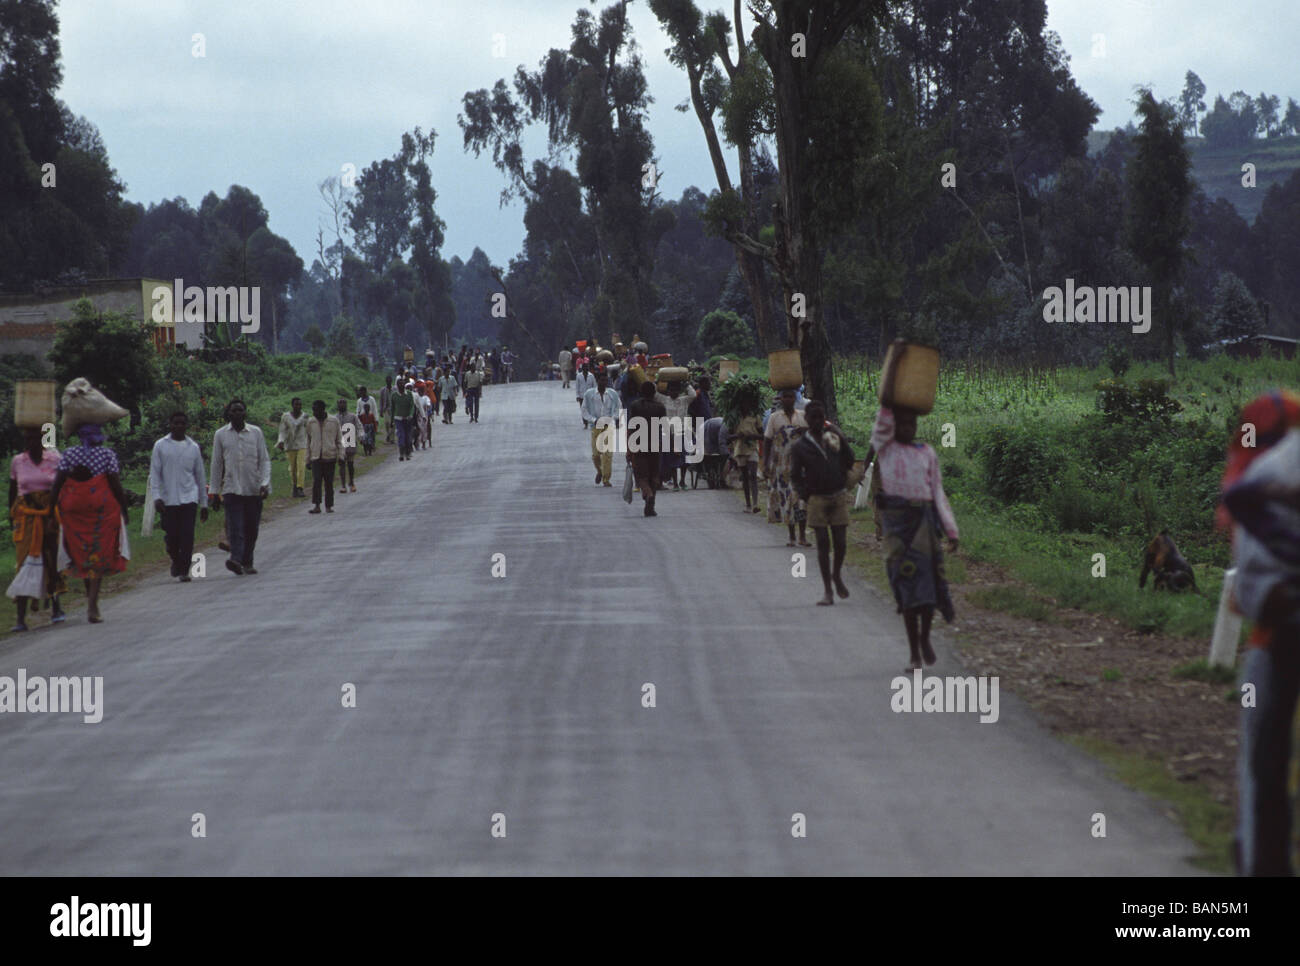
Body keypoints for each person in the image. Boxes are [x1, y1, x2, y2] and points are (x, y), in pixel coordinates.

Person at [1218, 390, 1300, 876]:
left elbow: (1241, 501)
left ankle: (1261, 860)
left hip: (1276, 637)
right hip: (1272, 633)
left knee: (1263, 764)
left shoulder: (1271, 467)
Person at [871, 404, 958, 671]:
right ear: (893, 427)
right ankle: (913, 652)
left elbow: (937, 491)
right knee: (907, 591)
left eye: (912, 424)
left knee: (928, 592)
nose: (908, 428)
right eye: (902, 424)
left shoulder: (927, 453)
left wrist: (951, 530)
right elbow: (882, 420)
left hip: (924, 525)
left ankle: (924, 639)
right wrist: (891, 391)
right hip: (897, 526)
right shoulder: (886, 450)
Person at [50, 422, 129, 623]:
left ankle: (91, 599)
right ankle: (92, 604)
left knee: (83, 553)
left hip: (74, 513)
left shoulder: (69, 454)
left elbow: (58, 483)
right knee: (98, 556)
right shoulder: (106, 455)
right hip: (101, 512)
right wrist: (124, 508)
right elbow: (114, 483)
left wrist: (51, 510)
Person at [789, 401, 857, 606]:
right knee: (822, 544)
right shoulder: (800, 446)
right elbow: (795, 475)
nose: (818, 421)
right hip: (816, 498)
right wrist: (805, 495)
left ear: (824, 418)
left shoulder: (833, 439)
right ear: (807, 420)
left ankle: (836, 574)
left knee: (841, 543)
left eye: (821, 417)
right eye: (813, 417)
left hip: (837, 494)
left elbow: (850, 460)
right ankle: (828, 589)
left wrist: (840, 436)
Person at [7, 426, 67, 630]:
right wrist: (11, 516)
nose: (31, 442)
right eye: (27, 438)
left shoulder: (53, 459)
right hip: (26, 519)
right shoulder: (18, 461)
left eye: (35, 438)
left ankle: (56, 607)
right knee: (24, 563)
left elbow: (60, 488)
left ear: (43, 439)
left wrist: (54, 514)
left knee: (51, 560)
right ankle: (20, 618)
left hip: (49, 515)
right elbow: (13, 491)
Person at [210, 399, 270, 575]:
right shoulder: (220, 435)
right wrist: (214, 492)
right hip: (231, 489)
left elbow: (264, 460)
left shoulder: (256, 432)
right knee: (235, 527)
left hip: (253, 489)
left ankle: (247, 561)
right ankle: (235, 559)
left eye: (240, 410)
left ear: (245, 413)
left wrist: (265, 484)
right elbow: (216, 464)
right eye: (233, 411)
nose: (236, 414)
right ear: (228, 414)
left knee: (251, 528)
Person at [148, 411, 209, 582]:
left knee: (187, 536)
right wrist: (157, 497)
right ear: (170, 424)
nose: (179, 426)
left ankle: (184, 570)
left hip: (189, 498)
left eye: (182, 423)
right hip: (168, 500)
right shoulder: (160, 446)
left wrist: (204, 504)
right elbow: (155, 473)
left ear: (186, 425)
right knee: (172, 537)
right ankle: (175, 560)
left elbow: (200, 476)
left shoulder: (193, 447)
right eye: (176, 423)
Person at [763, 389, 809, 547]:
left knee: (801, 500)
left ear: (795, 398)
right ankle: (791, 536)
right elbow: (767, 440)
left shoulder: (802, 416)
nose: (788, 399)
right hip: (781, 466)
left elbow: (812, 436)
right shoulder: (774, 418)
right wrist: (766, 463)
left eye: (791, 396)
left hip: (801, 464)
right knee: (787, 499)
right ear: (781, 399)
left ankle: (802, 535)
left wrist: (804, 431)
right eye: (785, 397)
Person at [627, 381, 667, 517]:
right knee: (654, 475)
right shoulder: (660, 407)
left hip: (639, 445)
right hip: (656, 445)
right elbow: (665, 428)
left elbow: (631, 428)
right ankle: (650, 507)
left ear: (641, 392)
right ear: (654, 393)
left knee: (641, 476)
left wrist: (628, 449)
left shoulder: (635, 406)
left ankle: (648, 494)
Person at [656, 380, 696, 491]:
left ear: (679, 391)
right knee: (672, 459)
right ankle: (675, 483)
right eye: (672, 390)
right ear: (668, 391)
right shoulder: (664, 400)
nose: (674, 392)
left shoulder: (684, 400)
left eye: (676, 390)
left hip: (683, 433)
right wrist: (657, 381)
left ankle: (682, 480)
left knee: (684, 459)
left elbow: (693, 395)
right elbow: (654, 393)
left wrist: (687, 384)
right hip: (669, 434)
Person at [583, 371, 621, 487]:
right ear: (597, 381)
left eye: (605, 380)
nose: (603, 382)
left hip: (608, 426)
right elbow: (584, 410)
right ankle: (600, 471)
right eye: (601, 380)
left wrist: (612, 418)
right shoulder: (589, 394)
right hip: (595, 426)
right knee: (595, 455)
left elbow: (618, 408)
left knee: (607, 454)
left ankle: (606, 478)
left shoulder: (612, 394)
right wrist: (594, 420)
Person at [306, 399, 342, 514]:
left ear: (322, 409)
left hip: (330, 456)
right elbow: (307, 441)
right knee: (316, 481)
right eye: (313, 409)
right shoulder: (310, 422)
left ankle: (329, 506)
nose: (313, 412)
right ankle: (317, 505)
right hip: (316, 456)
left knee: (329, 482)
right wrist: (307, 459)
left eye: (315, 410)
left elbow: (339, 440)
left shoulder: (333, 421)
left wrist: (341, 455)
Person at [730, 401, 763, 513]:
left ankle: (755, 504)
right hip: (740, 449)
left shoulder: (755, 416)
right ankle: (748, 504)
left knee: (753, 475)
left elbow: (762, 435)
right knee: (744, 477)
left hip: (752, 448)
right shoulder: (734, 417)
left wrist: (752, 436)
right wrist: (737, 436)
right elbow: (728, 436)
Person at [276, 397, 309, 498]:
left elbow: (308, 429)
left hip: (302, 444)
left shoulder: (305, 416)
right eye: (296, 404)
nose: (298, 406)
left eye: (300, 404)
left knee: (301, 466)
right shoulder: (286, 416)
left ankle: (300, 487)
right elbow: (282, 430)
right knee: (292, 468)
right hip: (290, 445)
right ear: (292, 405)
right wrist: (280, 441)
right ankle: (294, 486)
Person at [335, 399, 360, 493]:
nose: (342, 405)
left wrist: (360, 437)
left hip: (350, 443)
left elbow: (358, 426)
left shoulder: (352, 416)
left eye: (344, 403)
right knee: (341, 464)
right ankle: (343, 485)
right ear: (337, 405)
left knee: (350, 464)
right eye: (340, 403)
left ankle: (352, 482)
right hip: (339, 444)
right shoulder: (335, 418)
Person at [390, 380, 416, 460]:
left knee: (408, 436)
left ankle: (407, 453)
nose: (401, 385)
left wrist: (410, 415)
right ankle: (401, 453)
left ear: (404, 385)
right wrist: (391, 420)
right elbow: (392, 408)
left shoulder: (409, 394)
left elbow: (412, 406)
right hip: (398, 418)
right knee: (401, 435)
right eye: (399, 384)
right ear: (397, 386)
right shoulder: (394, 395)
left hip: (408, 418)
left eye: (402, 384)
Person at [356, 386, 379, 457]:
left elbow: (375, 409)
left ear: (366, 391)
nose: (362, 393)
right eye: (360, 392)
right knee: (364, 437)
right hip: (363, 421)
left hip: (371, 420)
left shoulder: (371, 399)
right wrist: (357, 418)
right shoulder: (359, 401)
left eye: (363, 391)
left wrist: (376, 419)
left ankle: (371, 448)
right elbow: (358, 410)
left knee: (371, 437)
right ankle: (366, 450)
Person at [574, 364, 596, 428]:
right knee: (583, 410)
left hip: (590, 396)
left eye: (587, 367)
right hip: (581, 396)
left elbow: (594, 386)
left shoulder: (591, 376)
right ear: (582, 369)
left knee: (590, 409)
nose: (586, 369)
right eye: (585, 368)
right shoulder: (579, 376)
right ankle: (585, 423)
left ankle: (591, 422)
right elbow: (577, 386)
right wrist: (577, 395)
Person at [379, 375, 395, 445]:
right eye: (387, 381)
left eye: (390, 381)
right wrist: (381, 410)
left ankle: (391, 438)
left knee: (393, 424)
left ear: (391, 381)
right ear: (386, 381)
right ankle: (388, 435)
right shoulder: (383, 390)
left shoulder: (395, 389)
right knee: (387, 423)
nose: (388, 382)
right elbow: (381, 400)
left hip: (393, 409)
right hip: (386, 409)